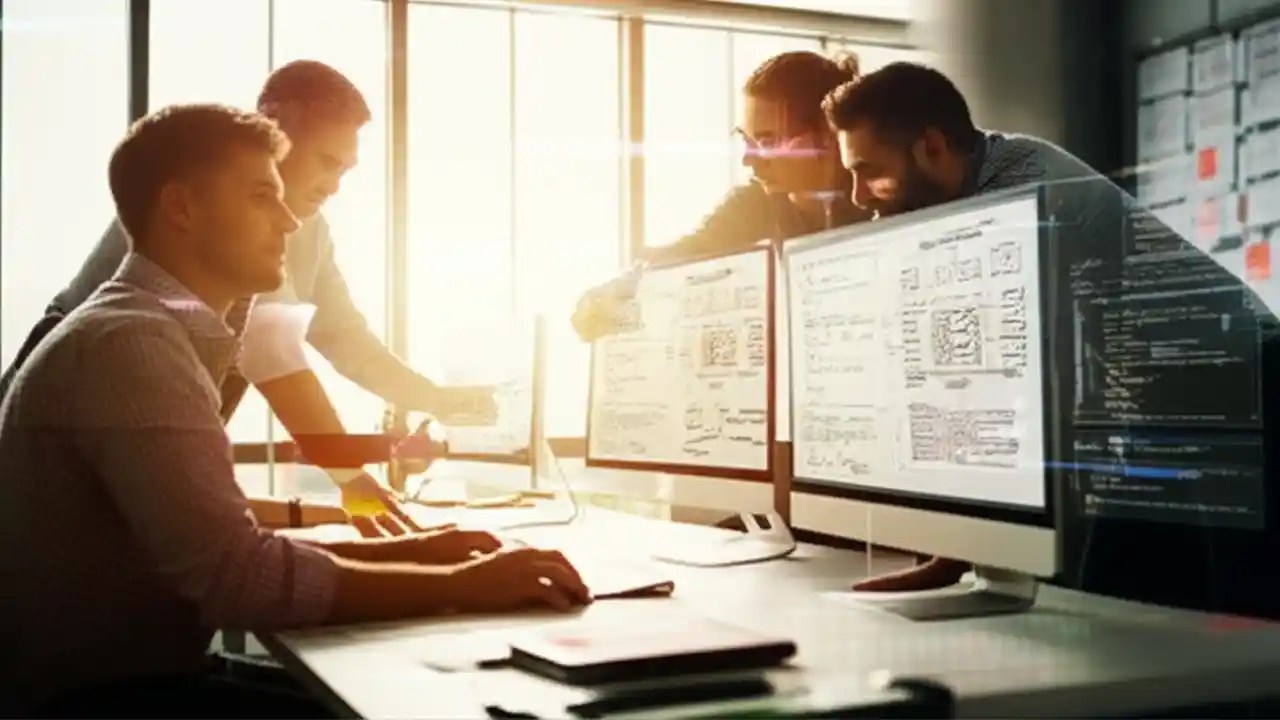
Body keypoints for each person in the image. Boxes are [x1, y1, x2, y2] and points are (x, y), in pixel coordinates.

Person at [0, 104, 590, 716]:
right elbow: (239, 578)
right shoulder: (133, 344)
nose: (289, 221)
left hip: (129, 672)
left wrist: (419, 551)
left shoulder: (149, 328)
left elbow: (214, 534)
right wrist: (465, 586)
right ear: (181, 209)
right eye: (262, 197)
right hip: (99, 697)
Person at [821, 61, 1279, 598]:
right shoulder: (982, 189)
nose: (858, 196)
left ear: (931, 146)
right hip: (1163, 404)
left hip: (1246, 387)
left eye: (869, 170)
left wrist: (951, 558)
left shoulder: (1016, 199)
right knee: (1123, 602)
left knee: (1237, 619)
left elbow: (1003, 394)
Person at [0, 60, 492, 518]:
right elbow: (272, 351)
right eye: (325, 161)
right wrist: (352, 481)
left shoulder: (306, 229)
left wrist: (436, 399)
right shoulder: (205, 207)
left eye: (344, 169)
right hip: (47, 452)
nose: (334, 185)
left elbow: (346, 338)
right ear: (272, 131)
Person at [571, 50, 873, 342]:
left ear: (827, 134)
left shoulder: (881, 207)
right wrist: (611, 298)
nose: (749, 159)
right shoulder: (752, 207)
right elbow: (681, 258)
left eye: (767, 141)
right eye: (746, 139)